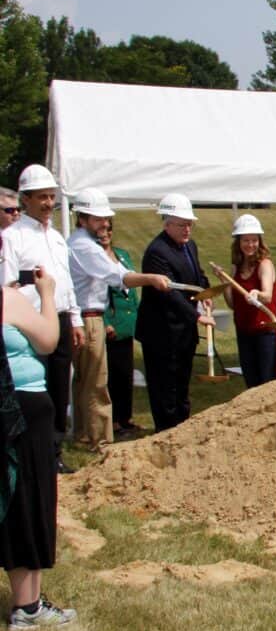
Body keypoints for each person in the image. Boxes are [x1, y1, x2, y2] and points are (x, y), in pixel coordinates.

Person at [1, 268, 77, 630]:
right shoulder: (8, 300)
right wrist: (47, 292)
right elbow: (48, 340)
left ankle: (28, 601)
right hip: (24, 410)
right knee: (30, 502)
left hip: (12, 411)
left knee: (16, 502)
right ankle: (28, 606)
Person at [67, 189, 170, 448]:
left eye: (105, 219)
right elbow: (118, 277)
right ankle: (98, 439)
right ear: (82, 218)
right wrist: (151, 279)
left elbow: (121, 271)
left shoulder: (85, 243)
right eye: (98, 219)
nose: (104, 224)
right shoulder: (83, 246)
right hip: (90, 318)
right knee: (96, 383)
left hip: (88, 316)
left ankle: (84, 435)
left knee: (85, 382)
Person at [0, 165, 83, 474]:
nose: (49, 204)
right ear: (27, 200)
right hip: (31, 322)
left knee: (61, 386)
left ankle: (54, 450)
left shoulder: (58, 238)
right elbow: (8, 284)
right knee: (39, 386)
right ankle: (35, 447)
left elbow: (66, 280)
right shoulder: (12, 238)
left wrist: (74, 319)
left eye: (51, 197)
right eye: (42, 198)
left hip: (59, 317)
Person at [136, 193, 215, 432]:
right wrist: (197, 316)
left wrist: (206, 293)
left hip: (183, 333)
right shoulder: (157, 252)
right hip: (162, 333)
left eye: (190, 224)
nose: (187, 229)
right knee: (165, 389)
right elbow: (169, 294)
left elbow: (197, 274)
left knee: (181, 385)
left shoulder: (189, 246)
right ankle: (167, 432)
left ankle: (182, 429)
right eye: (182, 224)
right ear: (167, 223)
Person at [224, 214, 276, 388]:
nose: (250, 245)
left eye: (254, 240)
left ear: (260, 241)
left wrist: (257, 293)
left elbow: (268, 295)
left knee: (267, 382)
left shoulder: (265, 264)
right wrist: (226, 283)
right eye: (245, 240)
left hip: (266, 331)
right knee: (251, 381)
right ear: (238, 242)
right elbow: (233, 304)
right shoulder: (235, 267)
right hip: (244, 330)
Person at [99, 221, 142, 438]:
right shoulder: (94, 257)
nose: (105, 234)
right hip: (110, 322)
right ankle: (114, 421)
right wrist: (105, 321)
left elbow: (131, 287)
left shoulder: (121, 254)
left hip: (127, 321)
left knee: (126, 373)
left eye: (109, 230)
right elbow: (95, 294)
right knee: (112, 375)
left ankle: (126, 417)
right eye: (102, 231)